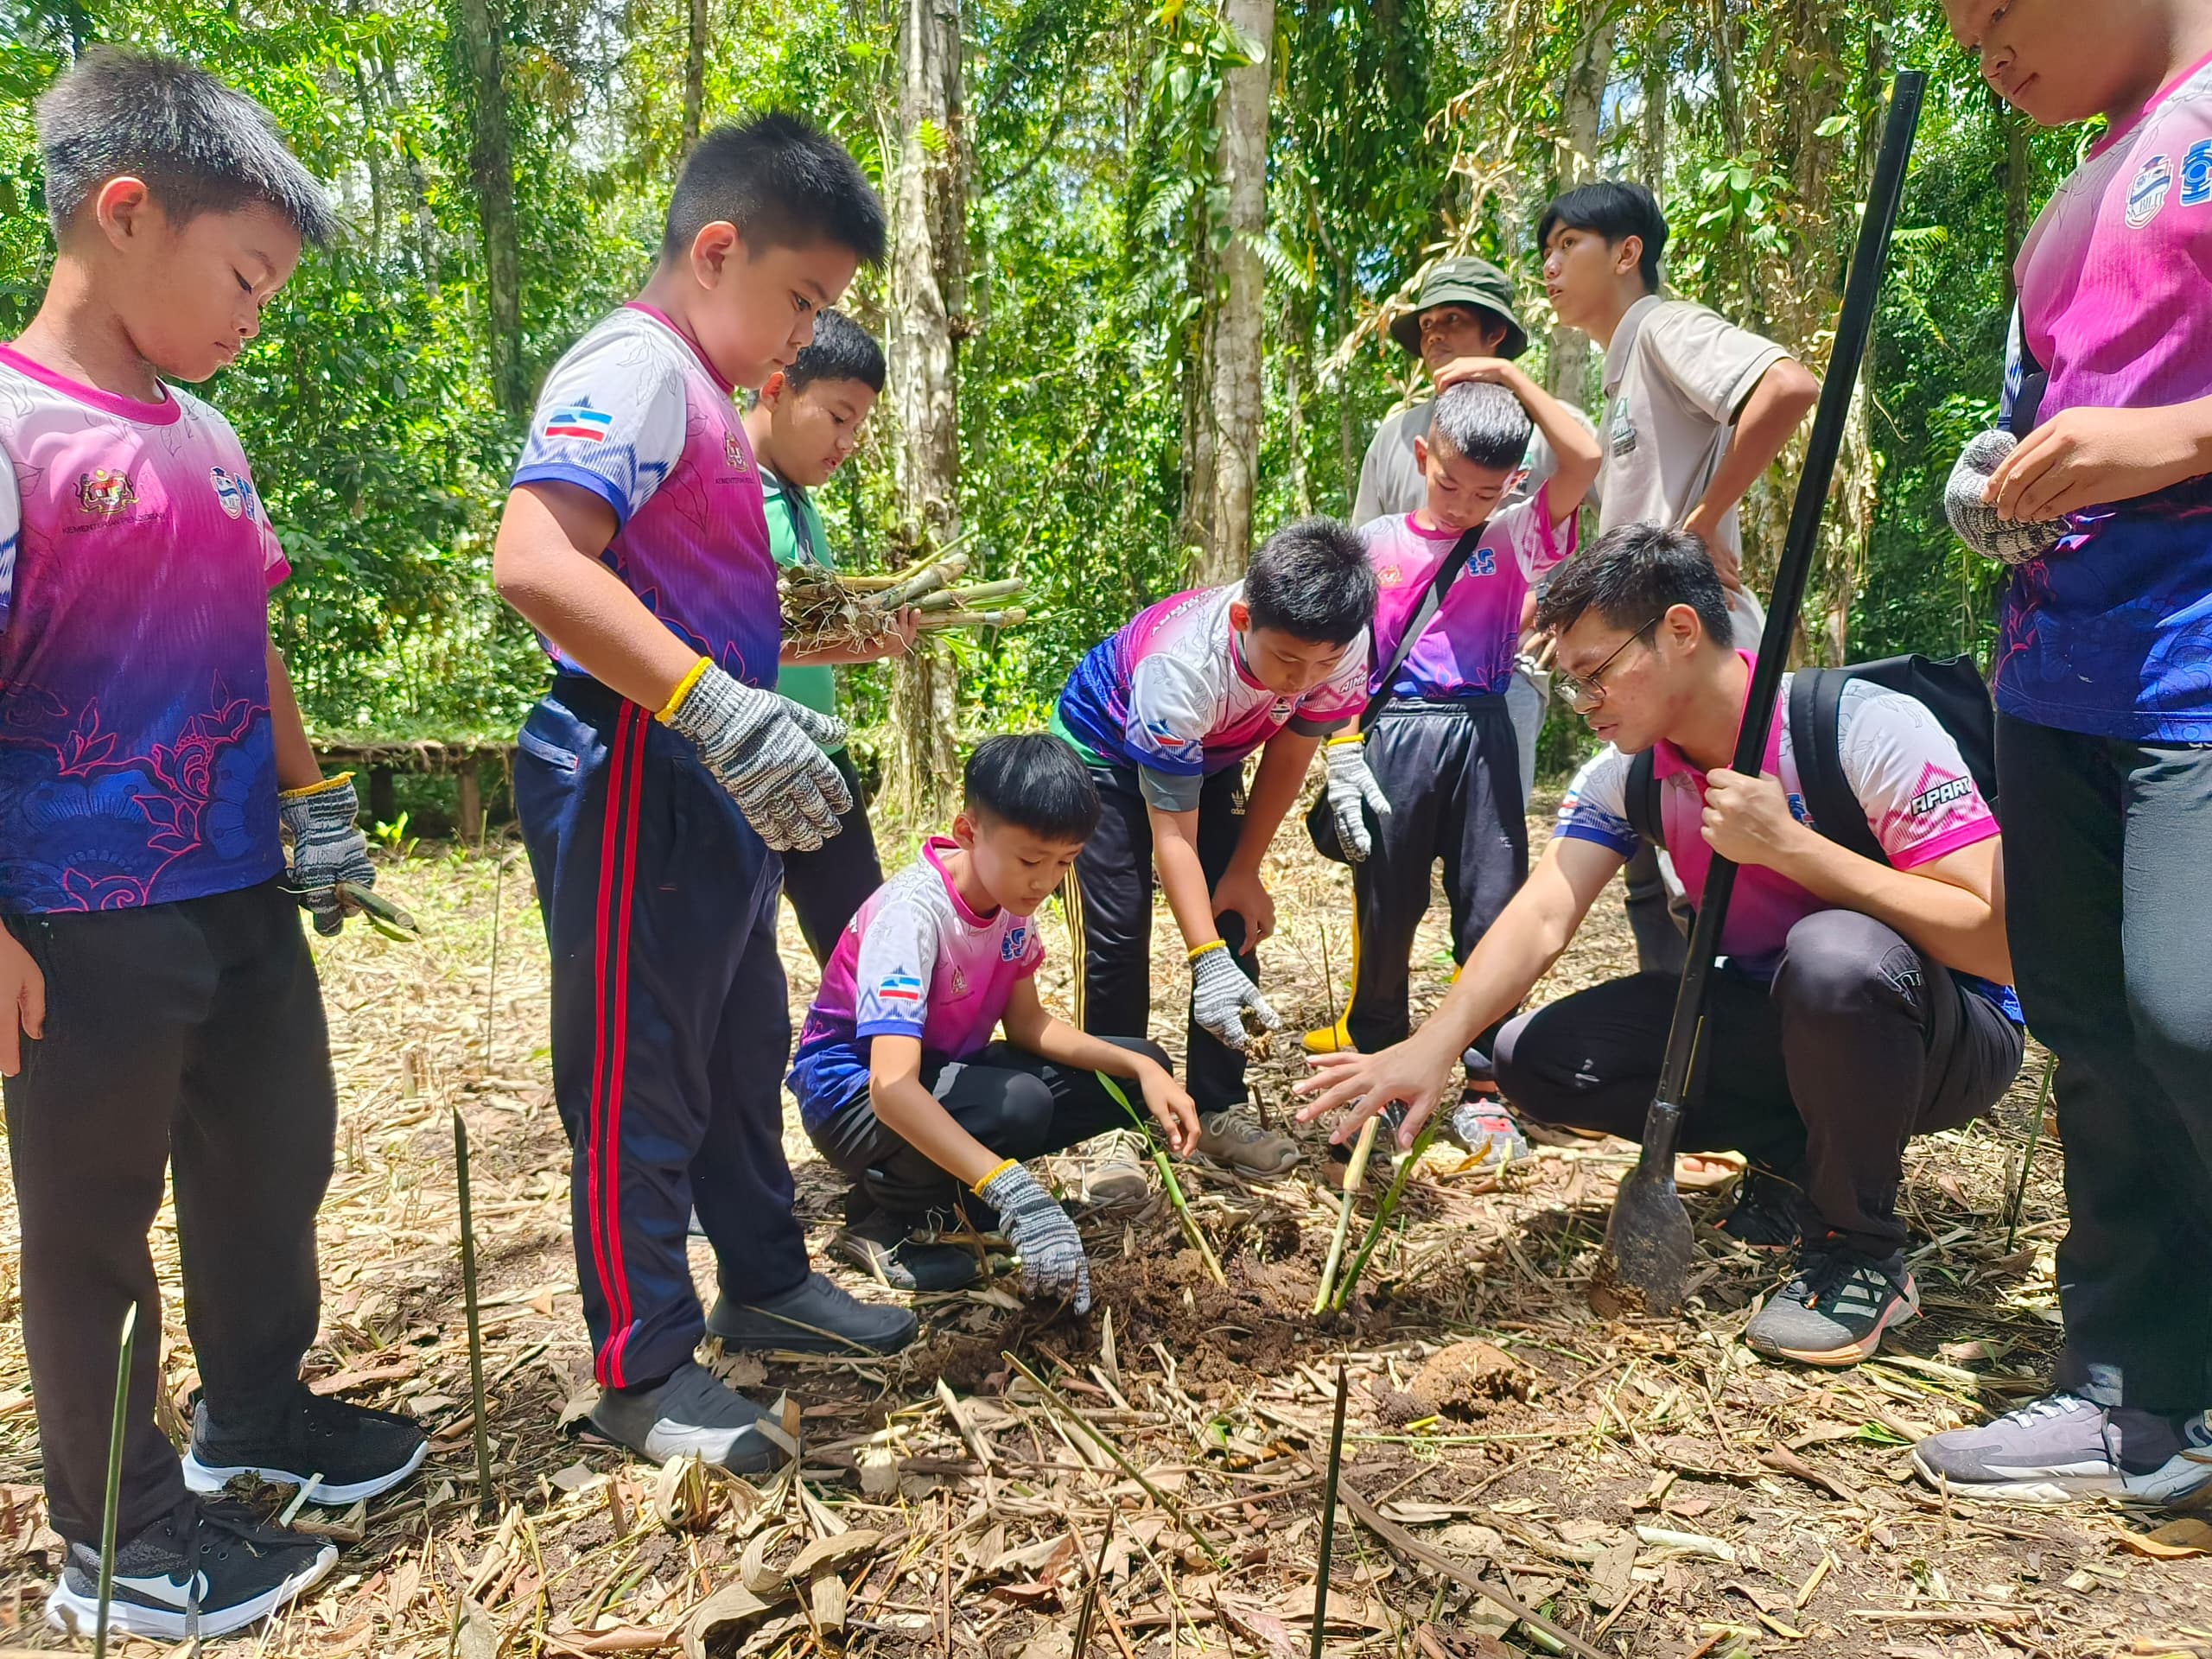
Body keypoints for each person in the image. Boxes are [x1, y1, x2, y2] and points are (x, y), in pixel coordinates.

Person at [0, 51, 425, 1639]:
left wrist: (310, 801)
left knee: (275, 1152)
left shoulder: (211, 434)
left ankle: (261, 1409)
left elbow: (250, 633)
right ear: (124, 213)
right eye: (245, 274)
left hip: (236, 878)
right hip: (80, 910)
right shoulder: (16, 431)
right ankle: (116, 1529)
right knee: (93, 1217)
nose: (260, 310)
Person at [1297, 525, 2026, 1369]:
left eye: (1598, 673)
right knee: (1537, 1056)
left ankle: (1857, 1251)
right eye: (1574, 685)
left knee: (1833, 958)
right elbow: (1542, 915)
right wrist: (1433, 1045)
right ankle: (1794, 1163)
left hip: (1941, 1034)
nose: (1588, 703)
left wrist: (1795, 850)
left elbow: (1999, 945)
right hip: (1782, 1023)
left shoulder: (1861, 730)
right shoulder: (1629, 775)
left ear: (1680, 631)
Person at [493, 113, 916, 1478]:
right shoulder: (637, 370)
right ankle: (643, 1364)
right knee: (641, 1074)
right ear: (718, 248)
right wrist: (711, 704)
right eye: (801, 300)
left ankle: (766, 1279)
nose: (805, 336)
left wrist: (773, 688)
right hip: (638, 769)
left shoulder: (708, 402)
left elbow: (699, 598)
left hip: (708, 772)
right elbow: (537, 560)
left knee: (739, 1046)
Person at [1906, 0, 2212, 1507]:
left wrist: (2172, 443)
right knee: (2087, 1023)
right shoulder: (2080, 178)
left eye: (2003, 15)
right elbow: (2059, 408)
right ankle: (2123, 1388)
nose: (1989, 56)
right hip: (2061, 664)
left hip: (2198, 663)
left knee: (2193, 1009)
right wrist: (2004, 473)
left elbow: (2155, 429)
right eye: (1964, 39)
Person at [791, 734, 1201, 1298]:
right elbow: (890, 1086)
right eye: (1031, 859)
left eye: (1065, 862)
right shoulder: (911, 915)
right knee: (1019, 1105)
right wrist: (1010, 1185)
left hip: (945, 1074)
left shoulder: (1011, 903)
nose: (1046, 881)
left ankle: (960, 1192)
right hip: (853, 1098)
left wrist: (1145, 1069)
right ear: (967, 832)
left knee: (1136, 1067)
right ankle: (890, 1221)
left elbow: (1029, 1025)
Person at [1539, 181, 1821, 976]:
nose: (1551, 267)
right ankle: (1677, 1057)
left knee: (1717, 871)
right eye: (1546, 252)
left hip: (1689, 642)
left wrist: (1702, 520)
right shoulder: (1622, 366)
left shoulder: (1662, 326)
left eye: (1569, 245)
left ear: (1628, 253)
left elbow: (1788, 385)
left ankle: (1739, 1047)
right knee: (1662, 854)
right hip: (1645, 650)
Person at [1325, 372, 1599, 1163]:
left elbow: (1579, 454)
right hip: (1397, 734)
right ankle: (1376, 1072)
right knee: (1386, 910)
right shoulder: (1375, 546)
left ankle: (1485, 1088)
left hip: (1482, 729)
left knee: (1491, 907)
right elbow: (1346, 663)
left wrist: (1511, 376)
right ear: (1421, 455)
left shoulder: (1512, 534)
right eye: (1449, 482)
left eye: (1486, 491)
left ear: (1510, 485)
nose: (1463, 503)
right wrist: (1342, 751)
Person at [1052, 518, 1376, 1173]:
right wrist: (1202, 958)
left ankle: (1219, 1105)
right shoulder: (1182, 665)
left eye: (1321, 664)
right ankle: (1109, 1120)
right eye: (1287, 659)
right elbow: (1172, 831)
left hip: (1213, 749)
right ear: (1241, 618)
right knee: (1117, 937)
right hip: (1102, 755)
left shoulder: (1344, 643)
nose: (1302, 679)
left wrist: (1245, 870)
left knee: (1236, 923)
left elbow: (1291, 751)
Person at [1351, 255, 1580, 814]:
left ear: (1494, 332)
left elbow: (1615, 510)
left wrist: (1556, 606)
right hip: (1399, 686)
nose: (1434, 336)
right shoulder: (1397, 434)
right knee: (1392, 858)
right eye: (1427, 324)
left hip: (1506, 679)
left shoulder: (1550, 427)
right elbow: (1359, 567)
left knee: (1489, 862)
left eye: (1452, 320)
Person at [742, 309, 917, 964]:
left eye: (859, 426)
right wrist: (862, 646)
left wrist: (868, 638)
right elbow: (730, 636)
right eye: (839, 417)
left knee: (859, 944)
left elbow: (796, 627)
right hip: (746, 755)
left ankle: (877, 1065)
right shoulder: (721, 491)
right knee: (739, 953)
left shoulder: (798, 497)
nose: (848, 443)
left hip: (819, 751)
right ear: (777, 386)